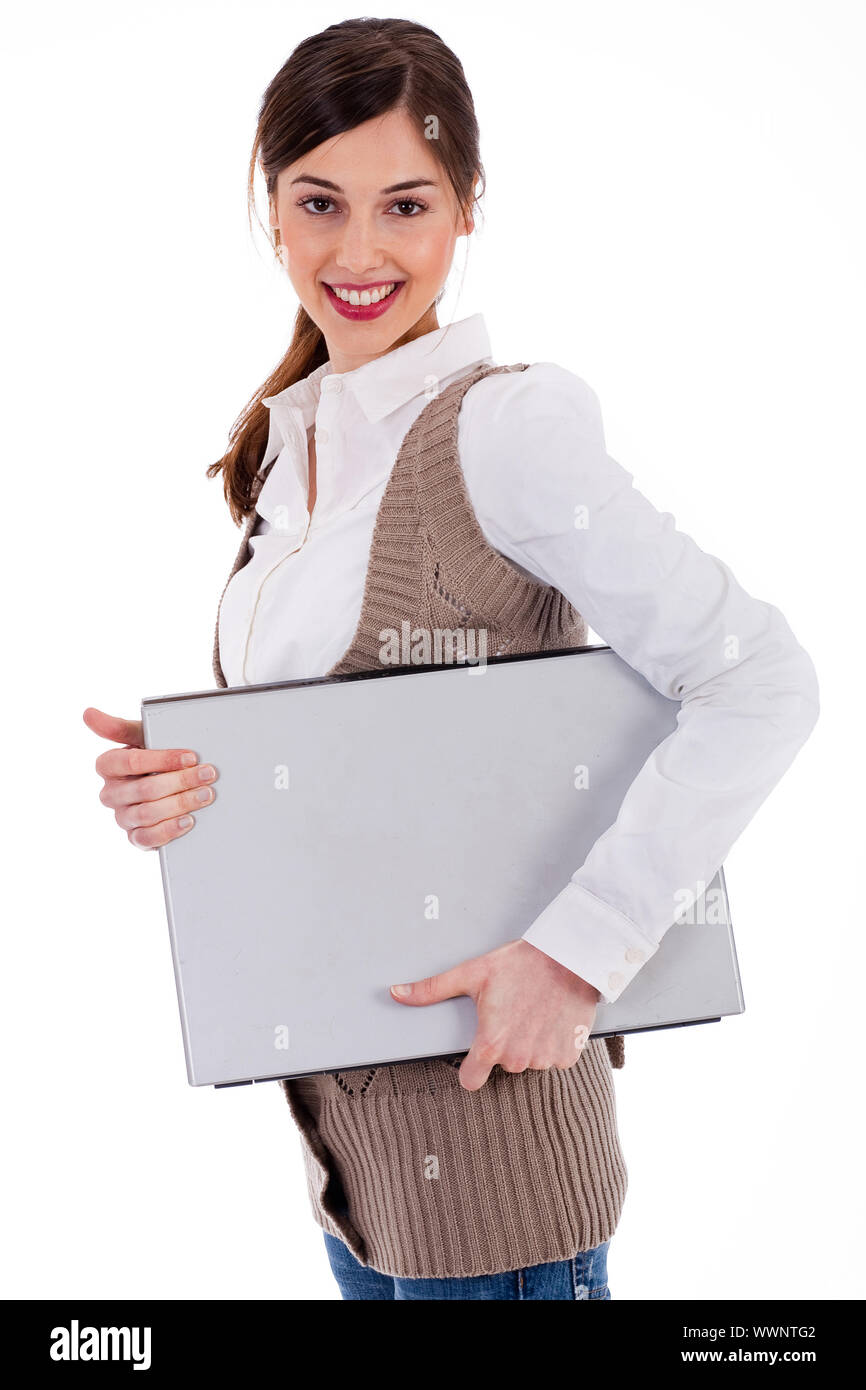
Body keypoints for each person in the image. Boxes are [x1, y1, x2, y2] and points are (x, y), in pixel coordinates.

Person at [84, 17, 820, 1301]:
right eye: (319, 202)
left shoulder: (506, 429)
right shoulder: (289, 454)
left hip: (497, 1182)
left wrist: (578, 955)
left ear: (467, 207)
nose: (357, 253)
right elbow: (374, 764)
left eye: (406, 205)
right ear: (270, 210)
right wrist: (202, 789)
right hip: (352, 1172)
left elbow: (759, 679)